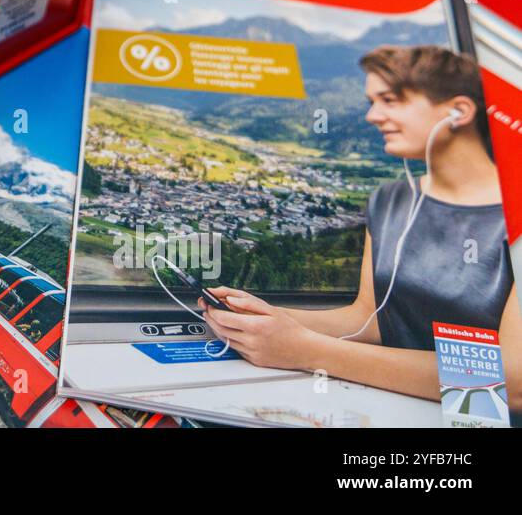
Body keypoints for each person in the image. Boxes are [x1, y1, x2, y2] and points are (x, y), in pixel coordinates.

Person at [199, 44, 519, 412]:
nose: (372, 116)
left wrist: (307, 351)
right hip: (393, 409)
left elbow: (512, 381)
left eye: (390, 100)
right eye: (371, 101)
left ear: (459, 111)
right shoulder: (390, 200)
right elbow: (370, 320)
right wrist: (265, 316)